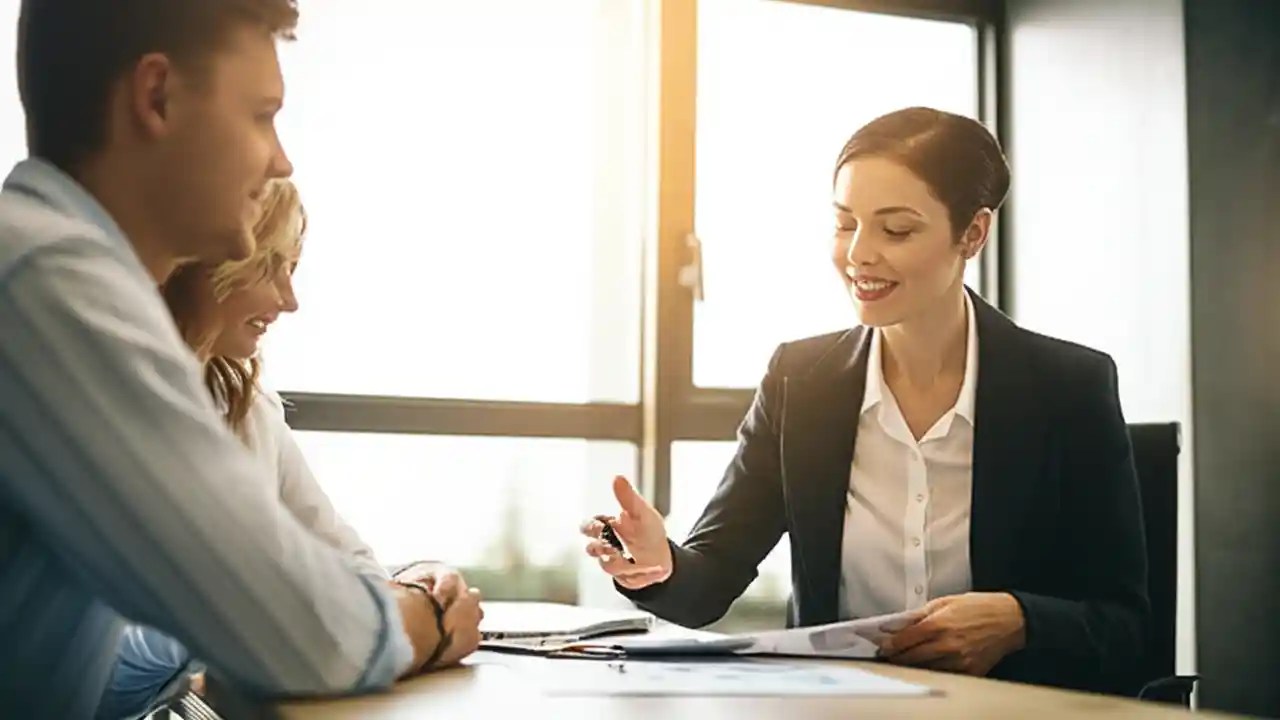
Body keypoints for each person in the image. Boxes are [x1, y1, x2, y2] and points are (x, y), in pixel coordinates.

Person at [0, 2, 479, 717]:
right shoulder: (47, 284)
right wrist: (427, 618)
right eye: (262, 114)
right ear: (156, 96)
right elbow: (299, 631)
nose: (279, 159)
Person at [582, 107, 1150, 695]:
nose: (859, 254)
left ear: (973, 233)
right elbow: (708, 584)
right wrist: (657, 564)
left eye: (895, 229)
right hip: (835, 708)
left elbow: (1126, 626)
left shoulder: (1067, 387)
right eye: (845, 224)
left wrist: (1020, 620)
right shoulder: (800, 382)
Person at [99, 179, 421, 718]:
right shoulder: (96, 398)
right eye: (269, 267)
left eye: (290, 269)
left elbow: (354, 568)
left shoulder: (245, 405)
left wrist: (415, 588)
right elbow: (108, 668)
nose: (288, 301)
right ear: (202, 263)